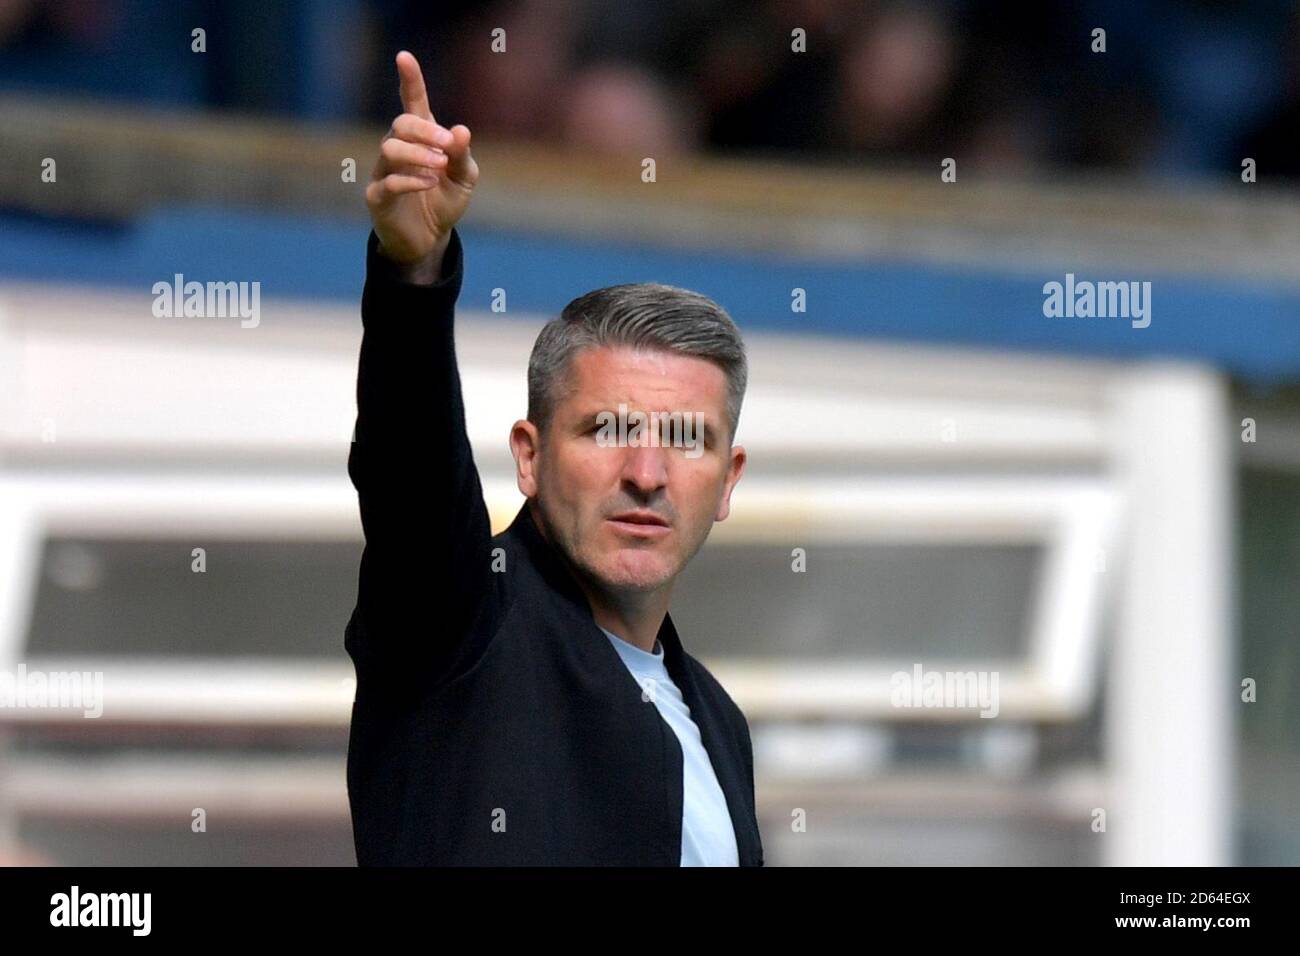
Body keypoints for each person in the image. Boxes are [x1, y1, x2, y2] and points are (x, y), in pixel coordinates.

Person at [345, 50, 763, 866]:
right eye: (606, 430)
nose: (646, 474)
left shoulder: (719, 721)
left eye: (686, 439)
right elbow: (411, 479)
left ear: (728, 480)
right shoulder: (461, 626)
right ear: (529, 458)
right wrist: (412, 276)